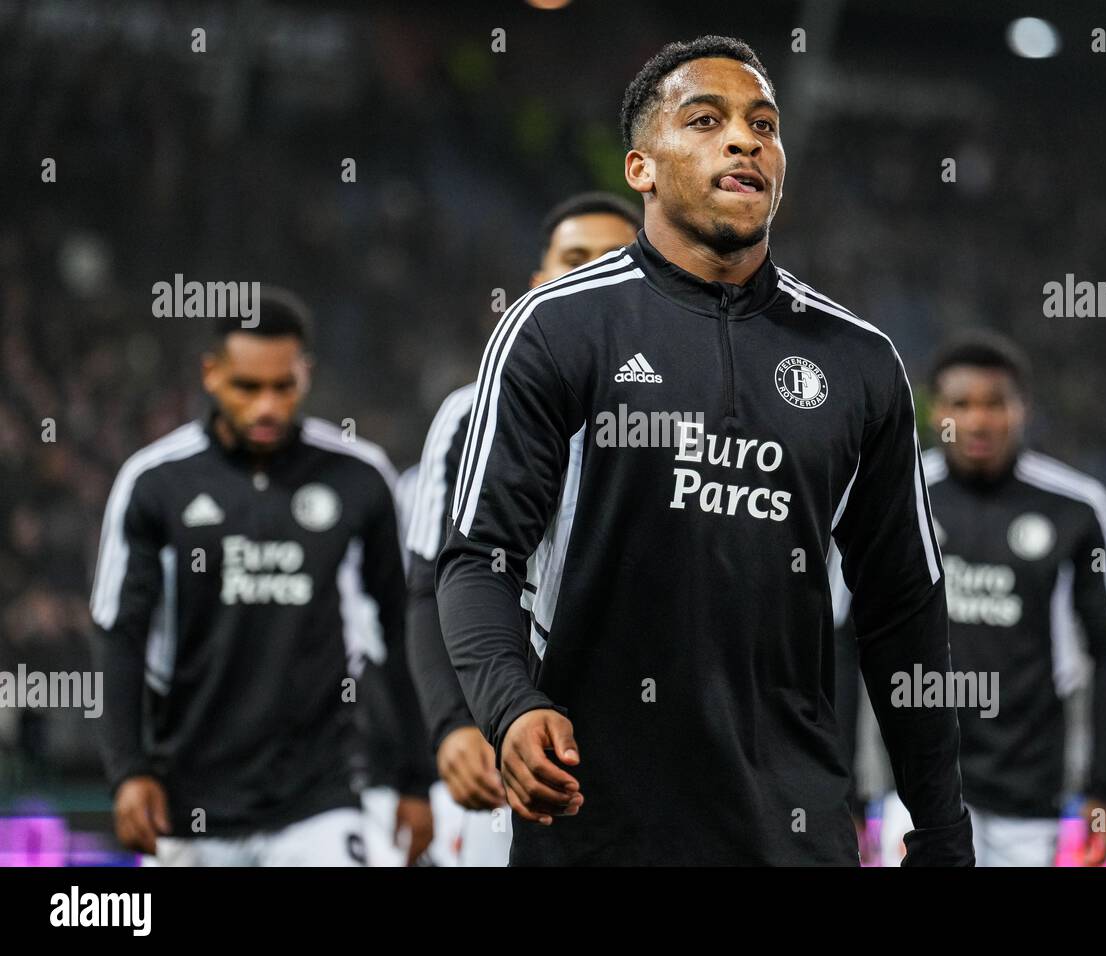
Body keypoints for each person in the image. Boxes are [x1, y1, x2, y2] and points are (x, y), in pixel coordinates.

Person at [435, 35, 972, 865]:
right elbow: (479, 556)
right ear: (642, 168)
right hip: (596, 821)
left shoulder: (859, 361)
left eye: (765, 124)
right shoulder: (558, 328)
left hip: (791, 830)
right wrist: (510, 707)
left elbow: (903, 608)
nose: (745, 139)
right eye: (707, 119)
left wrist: (941, 827)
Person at [89, 290, 433, 865]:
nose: (268, 407)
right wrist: (128, 772)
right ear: (211, 373)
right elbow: (118, 634)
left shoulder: (359, 477)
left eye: (284, 386)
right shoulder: (154, 482)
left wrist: (416, 780)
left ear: (306, 374)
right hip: (190, 803)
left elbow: (399, 631)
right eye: (248, 388)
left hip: (320, 798)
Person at [403, 192, 641, 866]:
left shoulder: (688, 416)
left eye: (613, 262)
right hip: (511, 737)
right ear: (538, 282)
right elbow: (432, 584)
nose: (591, 278)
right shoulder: (471, 412)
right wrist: (458, 724)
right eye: (574, 260)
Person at [880, 331, 1106, 866]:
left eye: (996, 404)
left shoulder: (1077, 508)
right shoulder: (895, 492)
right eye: (961, 404)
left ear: (1023, 409)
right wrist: (849, 790)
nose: (978, 422)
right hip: (915, 795)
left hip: (1026, 800)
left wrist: (1102, 794)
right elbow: (840, 630)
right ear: (934, 411)